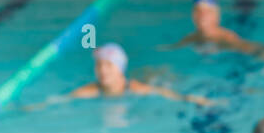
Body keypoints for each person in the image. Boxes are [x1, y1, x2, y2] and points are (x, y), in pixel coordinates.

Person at [29, 43, 213, 107]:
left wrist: (192, 99)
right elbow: (59, 100)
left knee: (160, 79)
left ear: (120, 69)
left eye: (109, 66)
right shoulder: (91, 90)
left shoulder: (134, 88)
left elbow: (163, 93)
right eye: (99, 65)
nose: (102, 71)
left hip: (142, 82)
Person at [164, 0, 264, 58]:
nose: (202, 16)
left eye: (207, 12)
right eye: (198, 11)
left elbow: (248, 48)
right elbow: (170, 50)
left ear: (216, 17)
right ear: (193, 15)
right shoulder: (192, 37)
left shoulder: (225, 38)